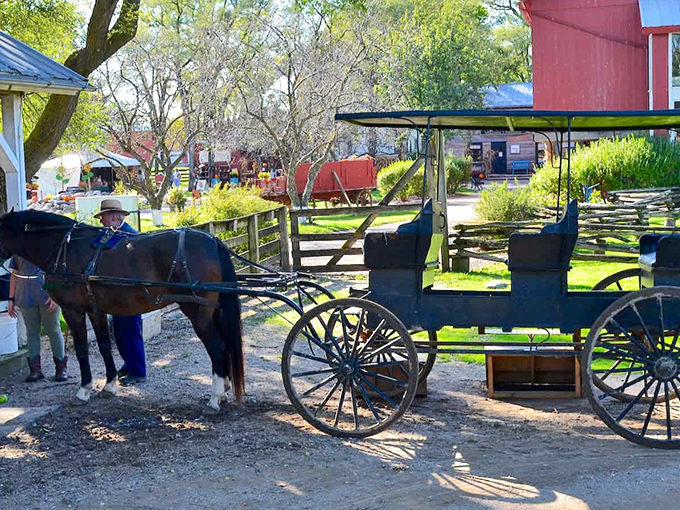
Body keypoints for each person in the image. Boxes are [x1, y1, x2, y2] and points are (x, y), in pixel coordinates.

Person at [94, 199, 146, 385]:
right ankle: (129, 363)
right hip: (115, 293)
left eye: (103, 217)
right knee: (119, 332)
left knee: (131, 331)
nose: (101, 221)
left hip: (129, 294)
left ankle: (138, 370)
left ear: (114, 216)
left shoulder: (130, 236)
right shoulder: (110, 233)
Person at [8, 257, 67, 382]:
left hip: (47, 296)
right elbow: (14, 275)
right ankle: (35, 370)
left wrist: (55, 295)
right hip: (25, 295)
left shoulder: (46, 244)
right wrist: (11, 299)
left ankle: (61, 368)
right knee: (32, 332)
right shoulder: (18, 249)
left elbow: (59, 271)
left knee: (54, 331)